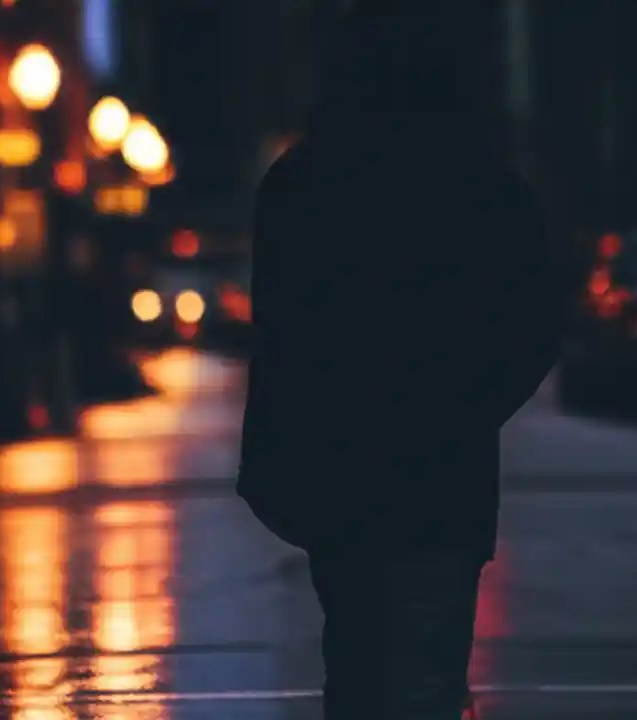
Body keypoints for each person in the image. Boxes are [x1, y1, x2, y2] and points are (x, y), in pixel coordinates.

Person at [237, 2, 562, 717]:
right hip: (441, 475)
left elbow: (280, 333)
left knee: (354, 664)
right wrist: (465, 408)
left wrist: (283, 452)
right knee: (426, 674)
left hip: (339, 468)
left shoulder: (302, 183)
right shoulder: (483, 184)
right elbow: (536, 323)